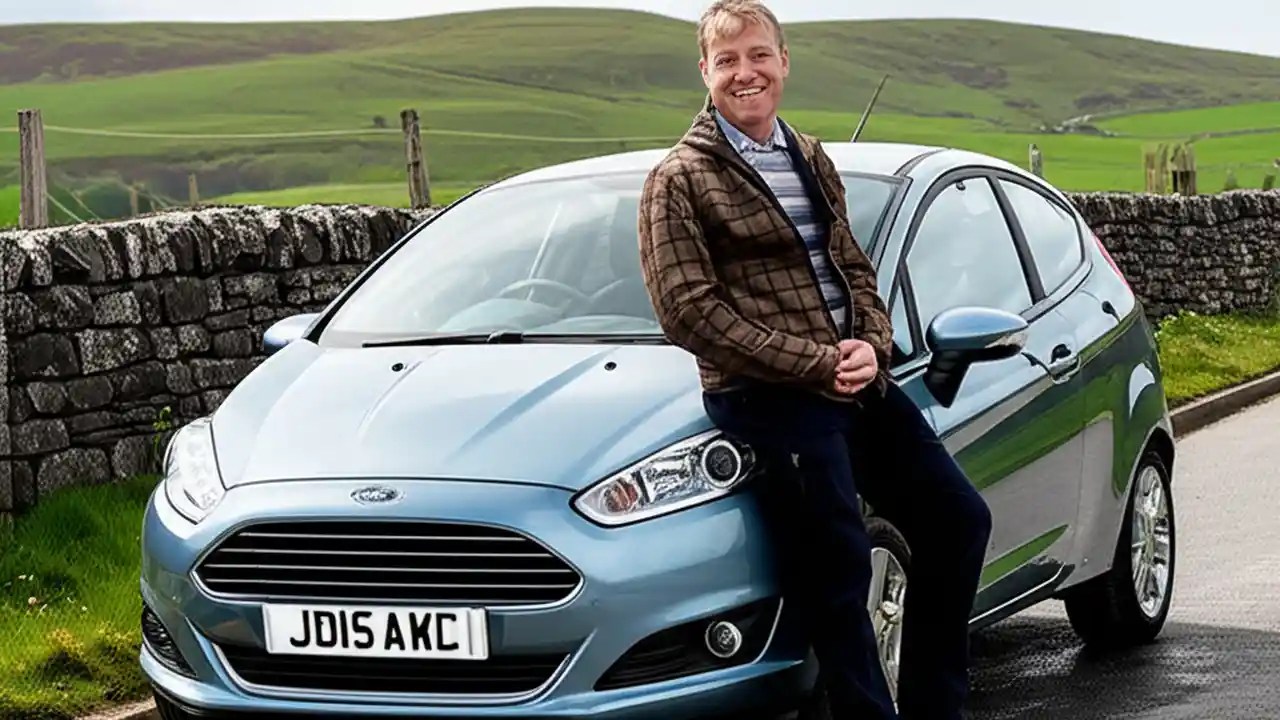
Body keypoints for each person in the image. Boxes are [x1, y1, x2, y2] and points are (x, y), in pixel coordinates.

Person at [635, 2, 994, 718]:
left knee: (958, 520)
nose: (747, 73)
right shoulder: (678, 180)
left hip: (850, 380)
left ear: (784, 61)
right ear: (704, 71)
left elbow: (852, 266)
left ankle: (936, 708)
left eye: (759, 55)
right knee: (839, 566)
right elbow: (688, 311)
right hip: (765, 396)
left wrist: (871, 340)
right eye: (729, 60)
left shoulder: (808, 154)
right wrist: (812, 362)